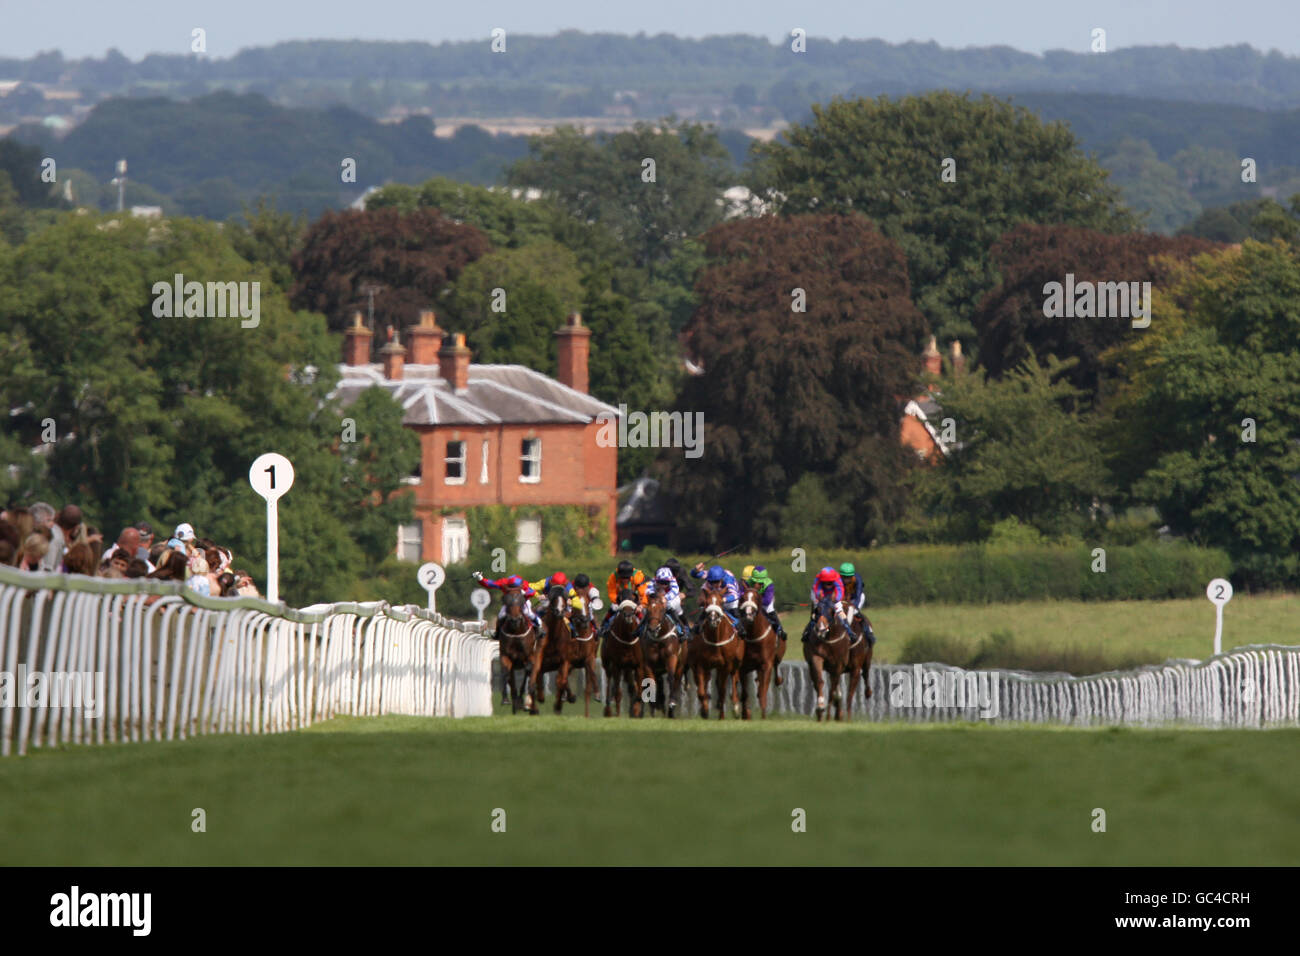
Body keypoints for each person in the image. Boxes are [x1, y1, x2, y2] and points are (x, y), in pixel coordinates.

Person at [472, 570, 541, 635]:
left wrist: (525, 593)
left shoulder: (524, 584)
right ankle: (497, 632)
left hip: (522, 601)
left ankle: (539, 627)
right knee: (501, 615)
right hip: (509, 602)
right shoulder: (503, 583)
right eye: (511, 587)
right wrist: (480, 578)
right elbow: (490, 584)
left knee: (528, 613)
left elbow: (532, 592)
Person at [599, 560, 648, 635]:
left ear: (631, 575)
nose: (625, 580)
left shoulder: (638, 576)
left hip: (635, 598)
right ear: (619, 575)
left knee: (642, 611)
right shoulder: (613, 577)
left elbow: (643, 593)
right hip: (620, 600)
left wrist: (641, 606)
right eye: (622, 578)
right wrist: (619, 603)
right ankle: (604, 626)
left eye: (627, 578)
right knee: (613, 607)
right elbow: (612, 593)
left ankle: (644, 629)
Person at [690, 563, 741, 633]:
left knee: (738, 621)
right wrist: (695, 570)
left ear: (722, 579)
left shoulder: (728, 581)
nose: (714, 584)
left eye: (716, 582)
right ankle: (696, 629)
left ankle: (742, 631)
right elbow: (693, 574)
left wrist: (723, 600)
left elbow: (735, 595)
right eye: (712, 582)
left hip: (730, 600)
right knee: (703, 615)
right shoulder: (708, 575)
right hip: (716, 598)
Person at [804, 566, 850, 641]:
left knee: (840, 612)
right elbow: (816, 590)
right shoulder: (818, 578)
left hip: (832, 594)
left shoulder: (837, 578)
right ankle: (808, 632)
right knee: (816, 612)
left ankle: (850, 632)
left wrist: (836, 599)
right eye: (825, 582)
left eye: (830, 583)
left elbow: (840, 589)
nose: (828, 585)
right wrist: (819, 596)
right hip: (821, 595)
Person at [742, 565, 787, 641]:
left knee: (770, 610)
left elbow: (767, 600)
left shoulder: (769, 584)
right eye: (754, 581)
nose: (756, 584)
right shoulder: (747, 582)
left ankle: (779, 629)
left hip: (764, 602)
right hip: (751, 601)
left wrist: (755, 601)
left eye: (759, 583)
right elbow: (742, 593)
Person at [646, 565, 688, 638]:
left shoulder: (673, 580)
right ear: (656, 580)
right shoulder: (653, 580)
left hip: (671, 599)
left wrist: (665, 598)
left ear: (670, 580)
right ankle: (640, 628)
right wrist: (657, 597)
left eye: (665, 583)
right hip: (658, 599)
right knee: (650, 608)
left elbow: (675, 590)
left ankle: (681, 628)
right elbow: (648, 590)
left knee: (671, 606)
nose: (663, 585)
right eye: (660, 582)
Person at [838, 561, 875, 643]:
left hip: (856, 598)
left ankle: (869, 632)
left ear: (852, 576)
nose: (846, 580)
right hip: (843, 599)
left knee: (855, 613)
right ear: (841, 575)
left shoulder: (857, 579)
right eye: (844, 577)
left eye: (849, 577)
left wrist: (854, 605)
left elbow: (858, 595)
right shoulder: (837, 580)